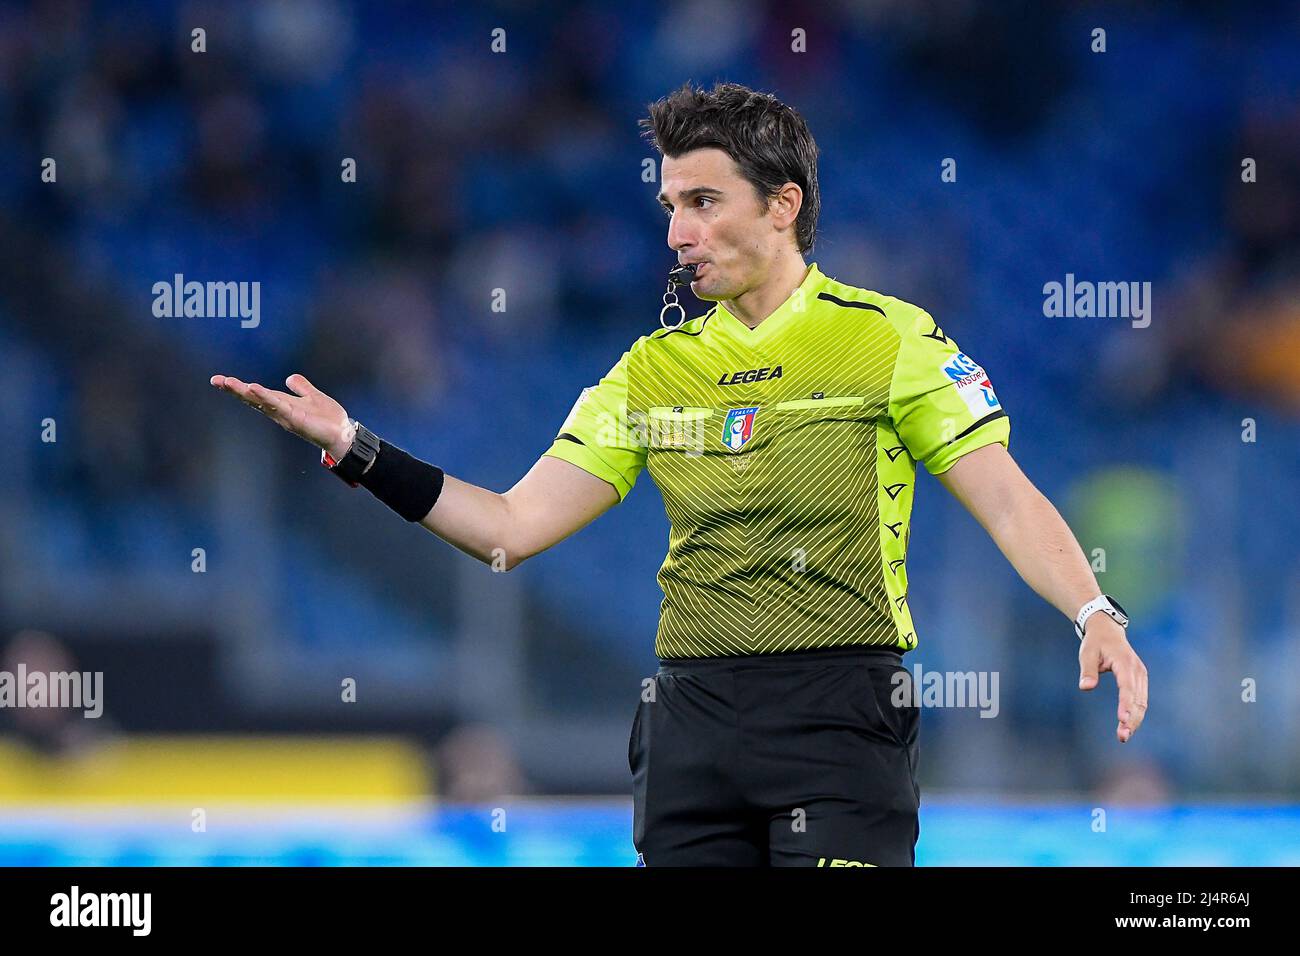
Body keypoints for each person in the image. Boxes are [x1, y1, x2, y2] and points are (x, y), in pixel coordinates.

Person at [210, 80, 1148, 866]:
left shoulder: (886, 338)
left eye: (703, 203)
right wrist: (358, 447)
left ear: (782, 206)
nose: (676, 235)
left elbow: (1007, 497)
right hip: (689, 724)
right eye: (669, 209)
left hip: (839, 718)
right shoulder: (649, 371)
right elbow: (507, 530)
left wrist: (1093, 611)